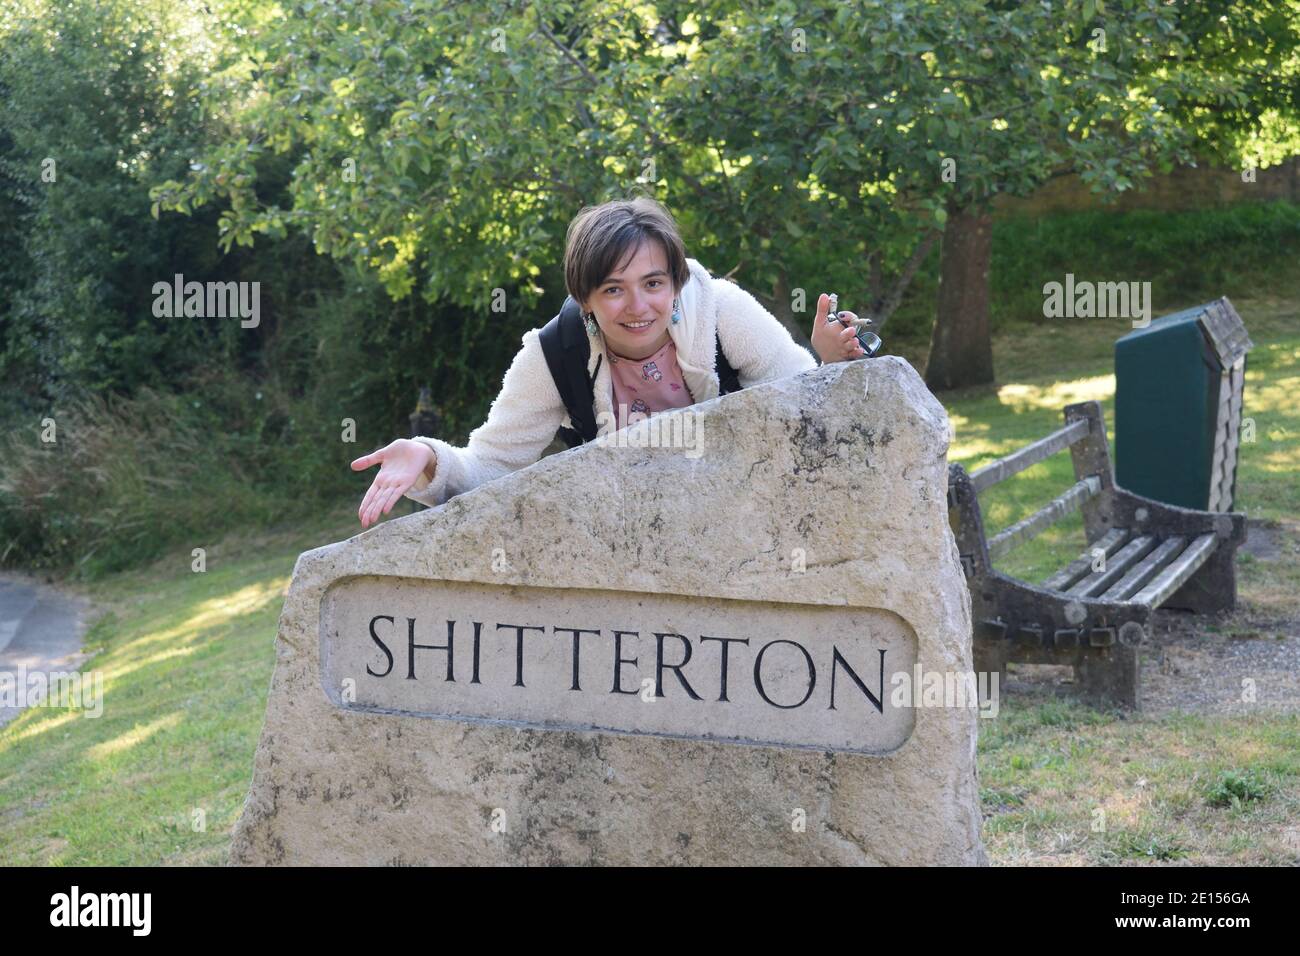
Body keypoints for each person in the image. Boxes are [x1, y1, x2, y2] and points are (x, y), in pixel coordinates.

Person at [352, 197, 866, 528]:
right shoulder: (554, 353)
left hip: (745, 516)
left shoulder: (721, 310)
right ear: (585, 297)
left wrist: (827, 364)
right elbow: (492, 466)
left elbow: (800, 412)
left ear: (676, 283)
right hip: (630, 534)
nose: (638, 307)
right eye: (613, 289)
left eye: (653, 284)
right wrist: (428, 457)